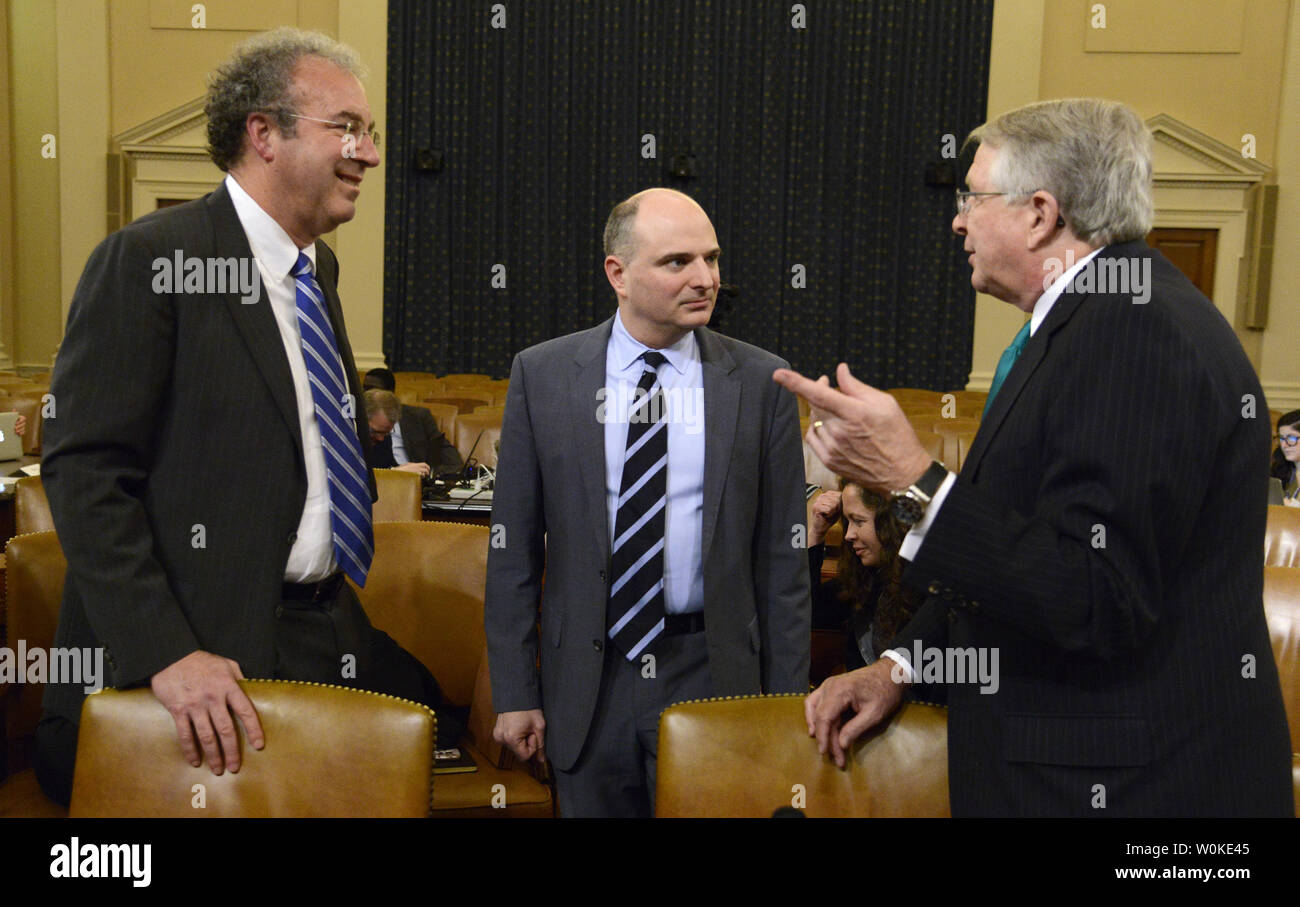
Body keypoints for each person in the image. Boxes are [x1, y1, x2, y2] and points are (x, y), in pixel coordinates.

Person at [775, 98, 1293, 816]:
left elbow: (1095, 595)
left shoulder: (1135, 334)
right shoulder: (1090, 319)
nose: (956, 219)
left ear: (1040, 214)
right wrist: (902, 664)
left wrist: (909, 479)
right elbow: (1017, 542)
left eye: (972, 197)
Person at [35, 28, 449, 805]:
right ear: (263, 133)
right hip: (194, 651)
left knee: (444, 730)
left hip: (323, 625)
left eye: (371, 133)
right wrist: (168, 653)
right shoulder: (150, 258)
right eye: (348, 129)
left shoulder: (315, 269)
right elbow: (85, 471)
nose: (369, 152)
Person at [486, 187, 811, 817]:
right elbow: (513, 555)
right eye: (677, 262)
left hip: (713, 673)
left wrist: (784, 704)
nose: (705, 278)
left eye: (712, 259)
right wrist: (514, 690)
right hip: (588, 678)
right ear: (618, 273)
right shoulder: (543, 374)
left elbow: (783, 567)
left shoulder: (761, 384)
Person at [808, 484, 917, 672]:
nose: (848, 535)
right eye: (847, 522)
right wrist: (816, 533)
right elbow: (809, 612)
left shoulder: (926, 588)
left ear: (891, 523)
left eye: (858, 521)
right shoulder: (864, 578)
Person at [362, 367, 461, 474]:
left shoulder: (419, 416)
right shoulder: (358, 423)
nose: (366, 394)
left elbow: (452, 461)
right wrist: (394, 473)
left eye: (373, 389)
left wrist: (427, 473)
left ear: (390, 392)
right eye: (364, 388)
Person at [1270, 409, 1300, 505]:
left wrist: (1292, 506)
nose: (1284, 445)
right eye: (1282, 438)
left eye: (1291, 438)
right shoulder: (1281, 470)